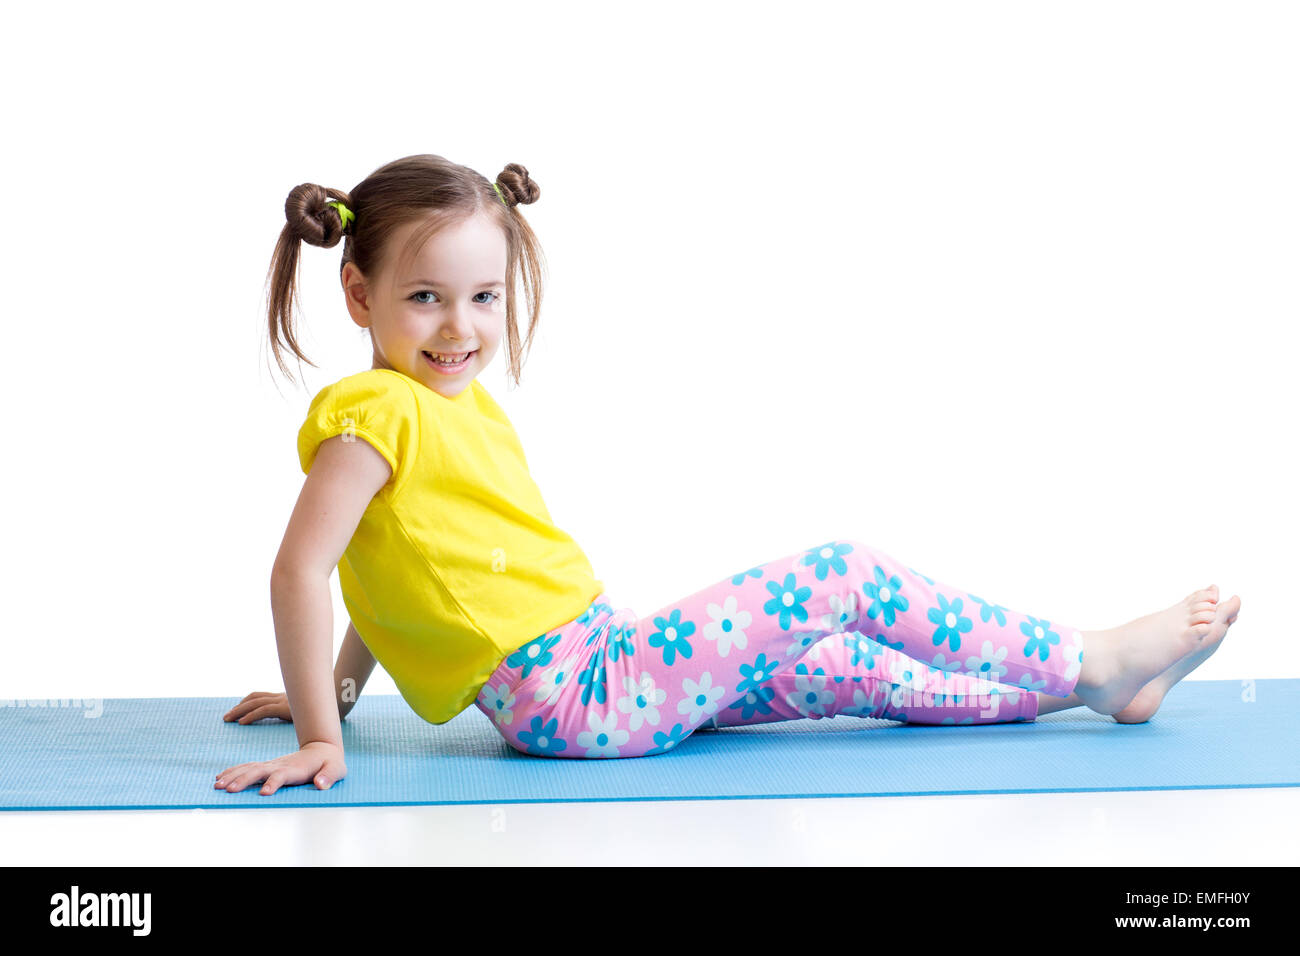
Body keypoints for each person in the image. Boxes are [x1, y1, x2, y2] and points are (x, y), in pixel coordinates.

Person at [215, 154, 1242, 794]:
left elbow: (385, 571)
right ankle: (1092, 654)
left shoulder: (447, 407)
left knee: (843, 664)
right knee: (838, 573)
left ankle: (1088, 695)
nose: (460, 327)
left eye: (484, 296)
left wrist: (343, 689)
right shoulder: (372, 416)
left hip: (597, 659)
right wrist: (318, 729)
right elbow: (303, 570)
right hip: (576, 694)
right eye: (426, 296)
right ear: (357, 293)